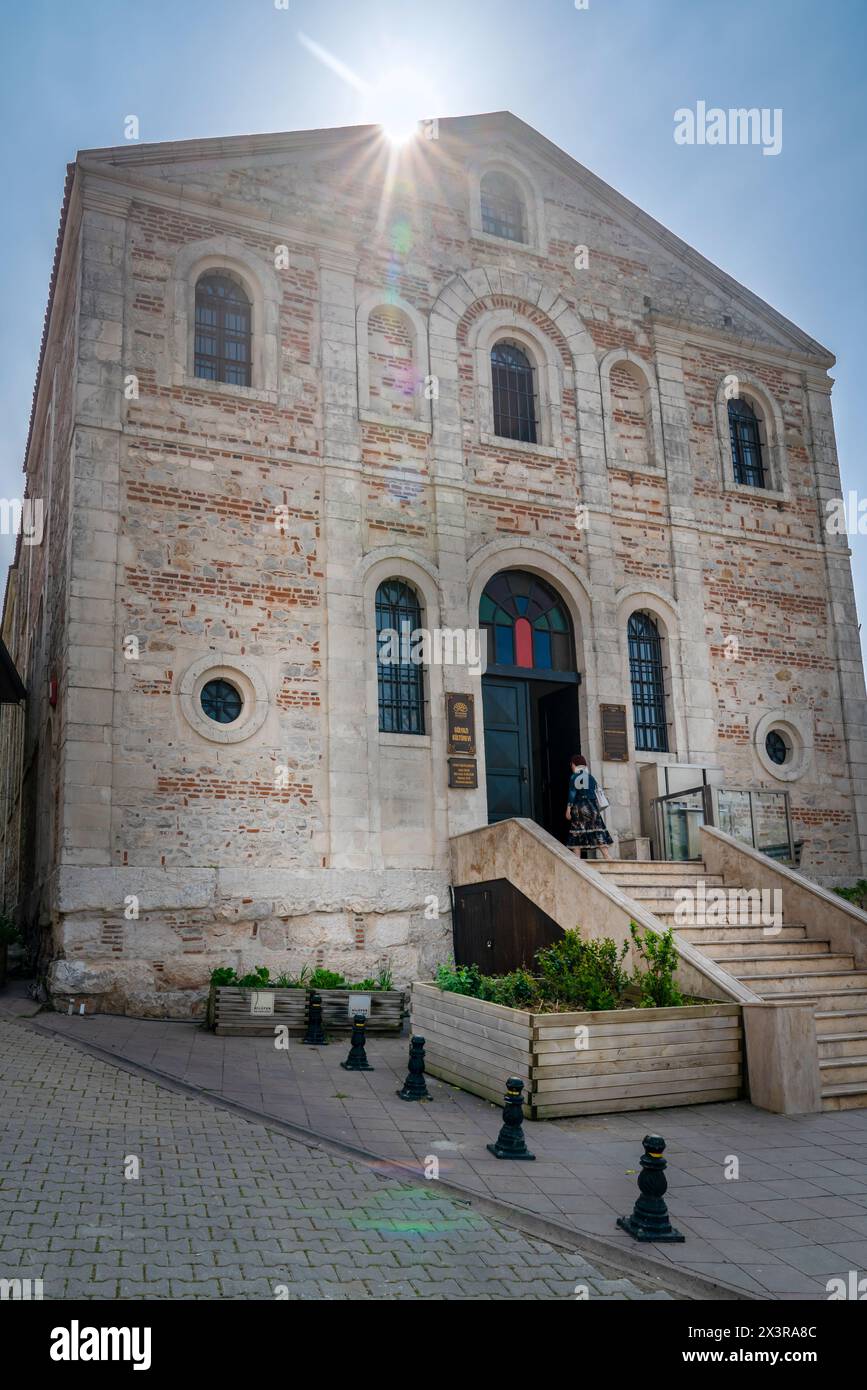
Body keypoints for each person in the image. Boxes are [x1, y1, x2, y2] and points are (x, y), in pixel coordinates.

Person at [565, 753, 613, 859]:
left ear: (574, 764)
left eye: (572, 764)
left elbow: (572, 793)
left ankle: (577, 859)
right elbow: (596, 793)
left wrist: (568, 809)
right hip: (592, 807)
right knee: (597, 830)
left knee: (577, 831)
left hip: (579, 807)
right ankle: (607, 856)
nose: (571, 766)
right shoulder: (590, 777)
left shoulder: (575, 776)